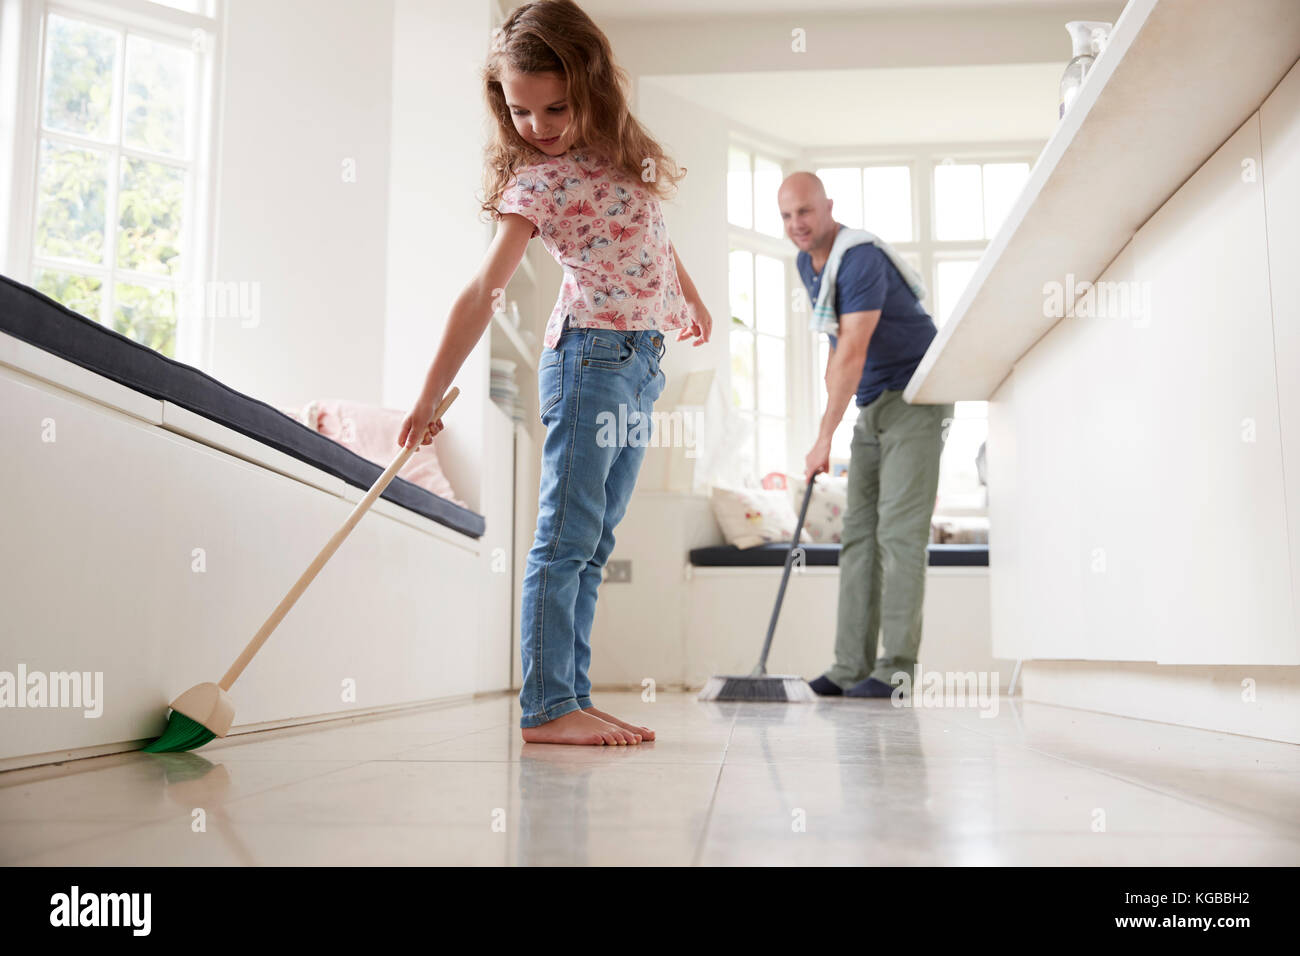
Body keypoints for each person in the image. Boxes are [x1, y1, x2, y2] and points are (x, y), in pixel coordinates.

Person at [397, 0, 712, 744]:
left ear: (592, 86)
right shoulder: (535, 186)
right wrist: (425, 392)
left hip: (641, 363)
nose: (537, 126)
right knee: (564, 538)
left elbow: (654, 237)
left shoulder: (621, 157)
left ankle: (570, 694)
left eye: (556, 107)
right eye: (521, 110)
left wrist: (689, 298)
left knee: (595, 541)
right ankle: (546, 708)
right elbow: (482, 291)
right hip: (589, 360)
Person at [778, 172, 951, 699]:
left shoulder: (860, 257)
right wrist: (829, 422)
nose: (797, 225)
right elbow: (836, 346)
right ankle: (850, 667)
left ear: (828, 207)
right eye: (786, 216)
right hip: (873, 403)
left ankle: (894, 671)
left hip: (917, 400)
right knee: (858, 536)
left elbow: (854, 346)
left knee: (898, 536)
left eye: (805, 212)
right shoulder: (808, 265)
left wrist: (822, 438)